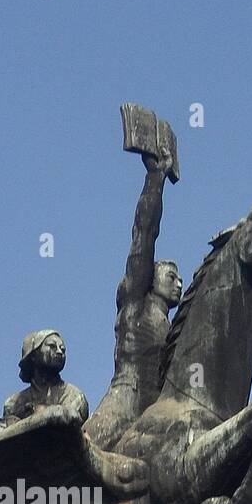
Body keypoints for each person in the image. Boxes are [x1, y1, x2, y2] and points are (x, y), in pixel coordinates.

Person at [85, 147, 182, 452]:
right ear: (150, 281)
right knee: (83, 455)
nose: (179, 284)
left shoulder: (176, 328)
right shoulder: (135, 306)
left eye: (180, 279)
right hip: (124, 404)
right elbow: (144, 233)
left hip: (157, 412)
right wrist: (156, 178)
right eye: (171, 277)